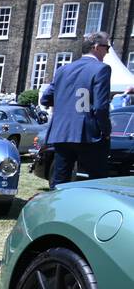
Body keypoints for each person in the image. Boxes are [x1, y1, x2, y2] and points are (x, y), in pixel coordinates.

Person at [40, 32, 113, 188]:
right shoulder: (102, 69)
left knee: (59, 180)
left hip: (61, 132)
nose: (107, 52)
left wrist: (66, 102)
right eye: (107, 47)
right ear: (96, 47)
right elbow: (101, 107)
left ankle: (57, 211)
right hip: (88, 134)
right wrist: (106, 131)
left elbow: (45, 99)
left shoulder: (63, 70)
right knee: (96, 181)